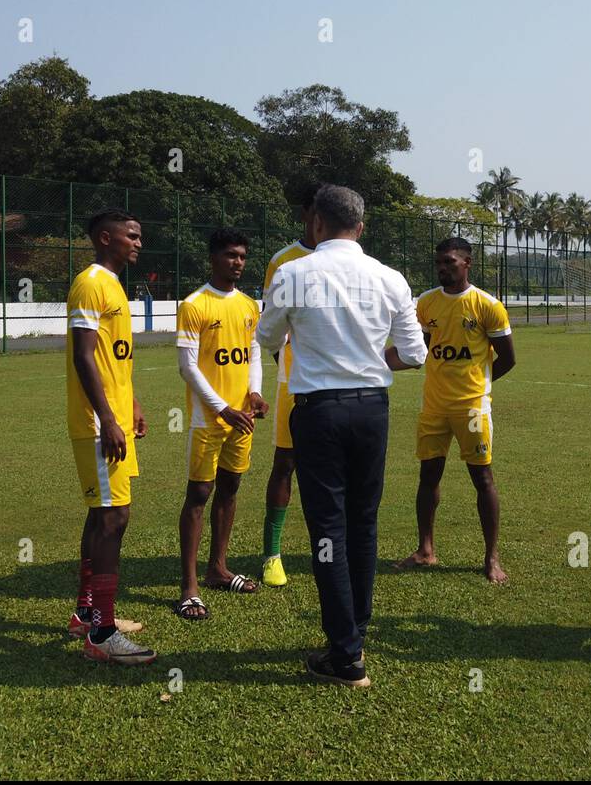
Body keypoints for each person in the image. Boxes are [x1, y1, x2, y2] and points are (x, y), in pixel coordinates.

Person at [256, 185, 427, 687]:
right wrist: (372, 360)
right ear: (362, 225)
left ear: (316, 224)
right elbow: (414, 353)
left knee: (328, 528)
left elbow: (266, 338)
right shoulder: (390, 277)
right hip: (372, 409)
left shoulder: (292, 273)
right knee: (363, 521)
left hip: (318, 411)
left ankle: (346, 654)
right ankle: (356, 629)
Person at [65, 209, 156, 665]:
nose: (139, 241)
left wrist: (131, 405)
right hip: (99, 423)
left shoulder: (116, 285)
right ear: (106, 238)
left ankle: (86, 614)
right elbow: (84, 357)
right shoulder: (91, 282)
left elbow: (113, 359)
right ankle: (101, 634)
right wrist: (107, 417)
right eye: (132, 234)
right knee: (113, 519)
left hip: (115, 418)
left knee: (102, 515)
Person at [398, 237, 515, 583]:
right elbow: (420, 349)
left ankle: (491, 558)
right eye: (439, 262)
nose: (443, 268)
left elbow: (507, 358)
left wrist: (479, 383)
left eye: (450, 262)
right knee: (428, 476)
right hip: (433, 405)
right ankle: (425, 550)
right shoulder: (427, 303)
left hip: (472, 407)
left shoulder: (486, 305)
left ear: (467, 264)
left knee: (483, 478)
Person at [173, 228, 269, 620]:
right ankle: (189, 586)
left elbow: (254, 353)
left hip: (241, 417)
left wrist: (255, 394)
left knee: (231, 486)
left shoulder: (248, 305)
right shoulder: (194, 304)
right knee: (200, 493)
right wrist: (221, 407)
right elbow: (187, 367)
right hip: (206, 419)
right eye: (230, 255)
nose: (238, 262)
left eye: (243, 255)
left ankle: (219, 568)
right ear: (212, 258)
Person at [259, 183, 320, 588]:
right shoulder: (284, 262)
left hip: (340, 386)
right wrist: (290, 369)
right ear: (306, 215)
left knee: (334, 471)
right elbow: (270, 329)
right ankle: (272, 554)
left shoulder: (354, 260)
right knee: (286, 463)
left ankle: (328, 550)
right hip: (295, 384)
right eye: (317, 211)